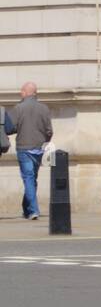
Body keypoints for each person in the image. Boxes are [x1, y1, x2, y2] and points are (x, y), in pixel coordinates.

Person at [10, 82, 53, 220]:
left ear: (25, 92)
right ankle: (27, 209)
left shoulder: (18, 108)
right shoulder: (44, 108)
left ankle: (33, 210)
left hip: (24, 148)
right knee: (32, 178)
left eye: (21, 91)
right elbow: (49, 130)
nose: (20, 93)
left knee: (29, 178)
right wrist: (44, 140)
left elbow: (11, 128)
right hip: (39, 148)